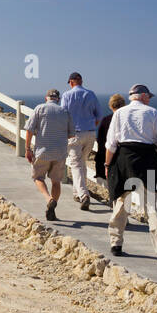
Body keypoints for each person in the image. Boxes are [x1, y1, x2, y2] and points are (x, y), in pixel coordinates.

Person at [103, 84, 157, 264]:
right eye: (148, 96)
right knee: (153, 206)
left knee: (121, 201)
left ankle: (116, 243)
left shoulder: (119, 113)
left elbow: (111, 143)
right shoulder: (153, 112)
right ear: (142, 96)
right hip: (148, 159)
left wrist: (107, 164)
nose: (149, 99)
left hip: (124, 159)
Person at [25, 88, 73, 221]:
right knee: (56, 182)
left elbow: (29, 130)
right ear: (58, 99)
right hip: (60, 152)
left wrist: (28, 148)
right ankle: (52, 209)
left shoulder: (39, 108)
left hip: (42, 151)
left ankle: (48, 198)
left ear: (46, 98)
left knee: (38, 178)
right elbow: (71, 134)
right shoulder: (65, 111)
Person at [60, 72, 102, 210]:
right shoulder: (91, 94)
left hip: (74, 135)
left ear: (71, 82)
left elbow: (63, 115)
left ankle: (84, 195)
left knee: (76, 165)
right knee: (81, 163)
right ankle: (77, 193)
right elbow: (99, 116)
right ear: (81, 81)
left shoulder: (66, 95)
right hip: (89, 134)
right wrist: (90, 127)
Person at [94, 93, 125, 183]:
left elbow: (101, 142)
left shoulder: (105, 120)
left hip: (109, 158)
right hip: (125, 158)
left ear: (111, 106)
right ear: (123, 105)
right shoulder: (128, 120)